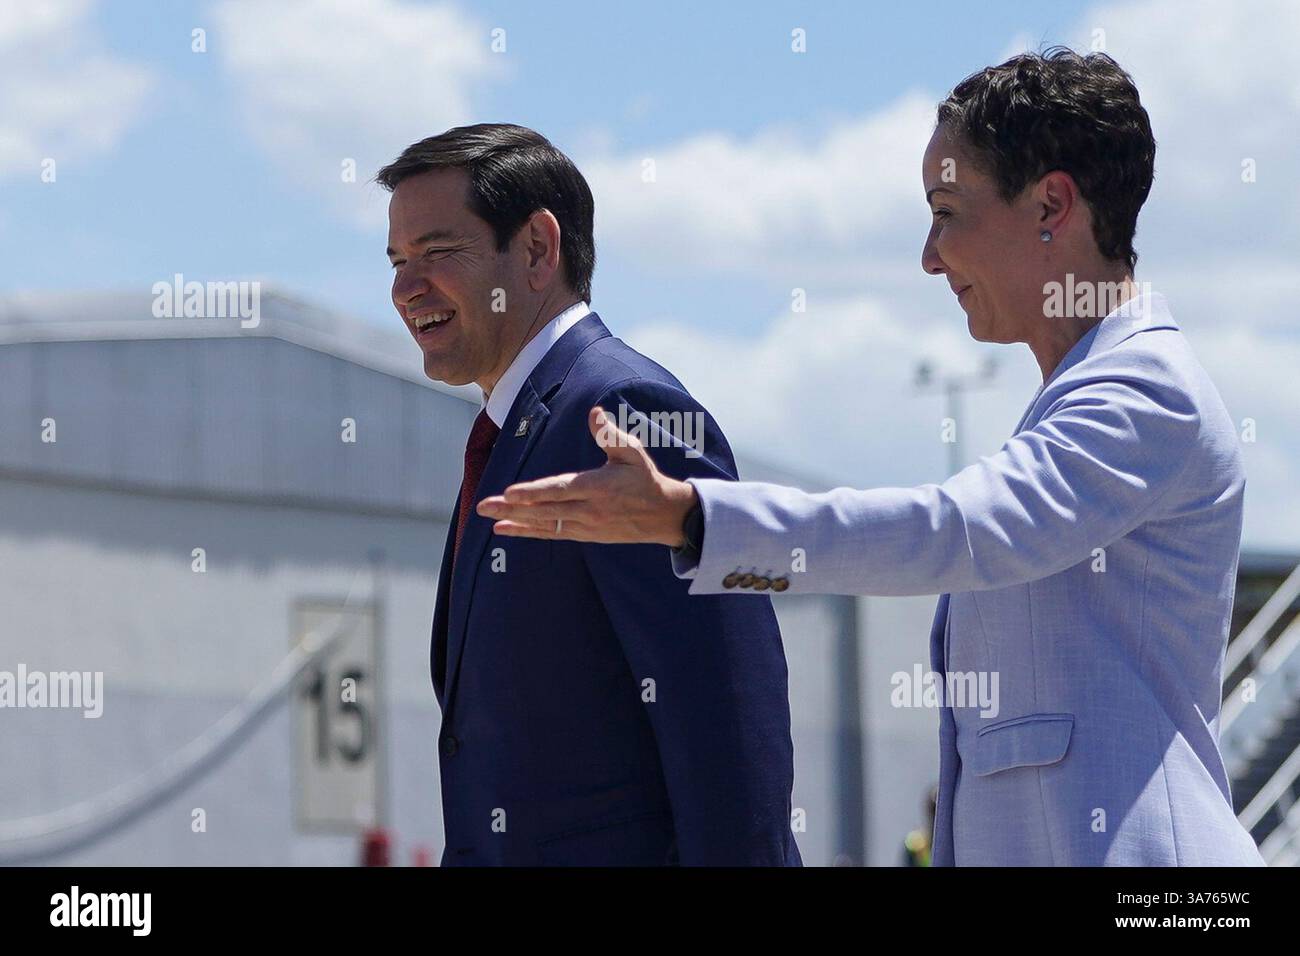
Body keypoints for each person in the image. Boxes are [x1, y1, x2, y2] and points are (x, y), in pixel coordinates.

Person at [477, 51, 1265, 866]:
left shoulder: (1144, 389)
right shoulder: (1090, 396)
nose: (929, 256)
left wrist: (695, 517)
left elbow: (964, 527)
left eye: (949, 211)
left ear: (1051, 204)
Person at [379, 124, 801, 866]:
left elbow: (727, 719)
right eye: (398, 262)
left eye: (438, 253)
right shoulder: (512, 432)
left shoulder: (622, 411)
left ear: (538, 250)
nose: (407, 289)